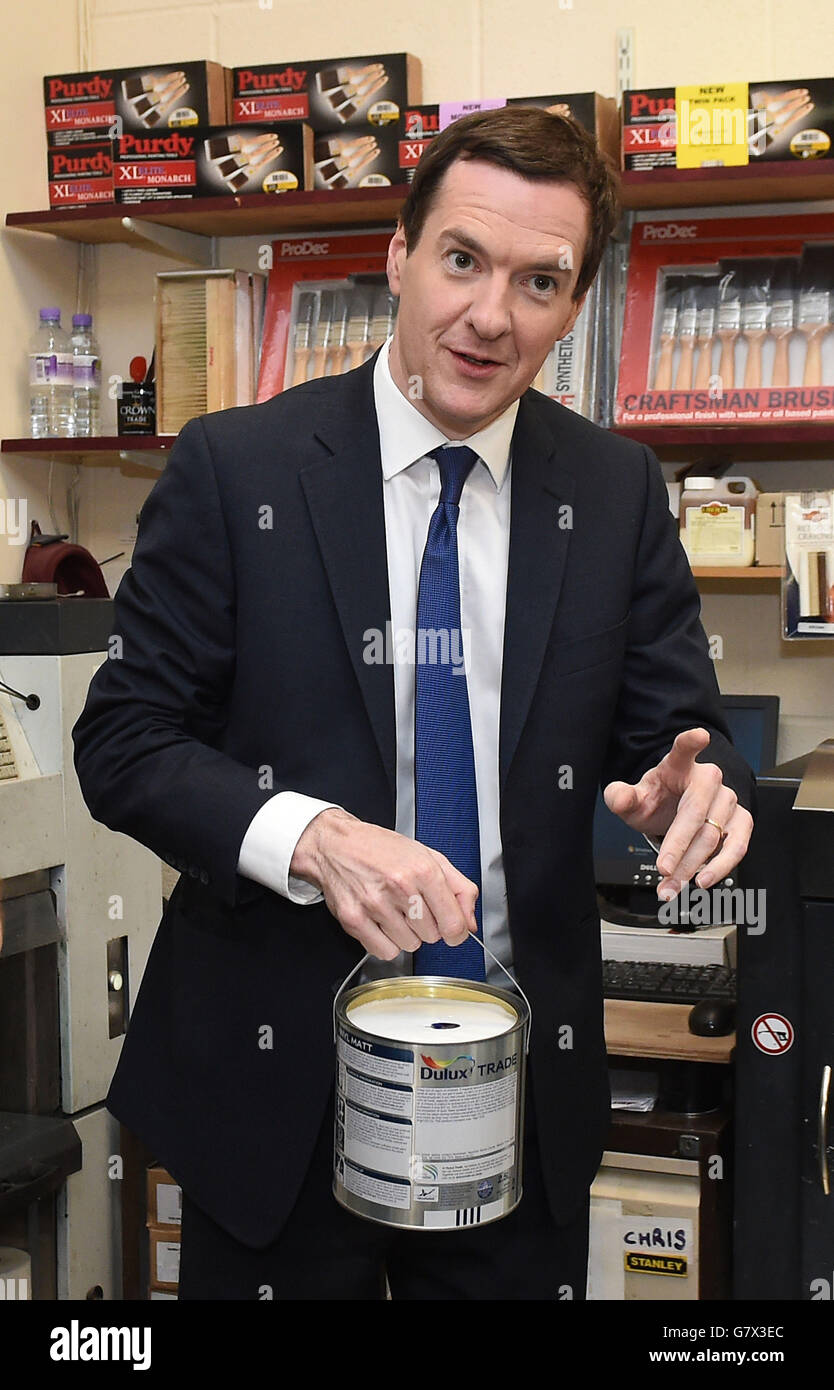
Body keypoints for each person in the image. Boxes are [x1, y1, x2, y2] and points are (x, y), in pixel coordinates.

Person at [72, 106, 754, 1301]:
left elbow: (685, 734)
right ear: (397, 253)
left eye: (540, 281)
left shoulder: (614, 492)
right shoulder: (240, 471)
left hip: (516, 1106)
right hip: (277, 1098)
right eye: (462, 261)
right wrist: (312, 836)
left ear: (577, 304)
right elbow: (123, 740)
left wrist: (694, 792)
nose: (492, 315)